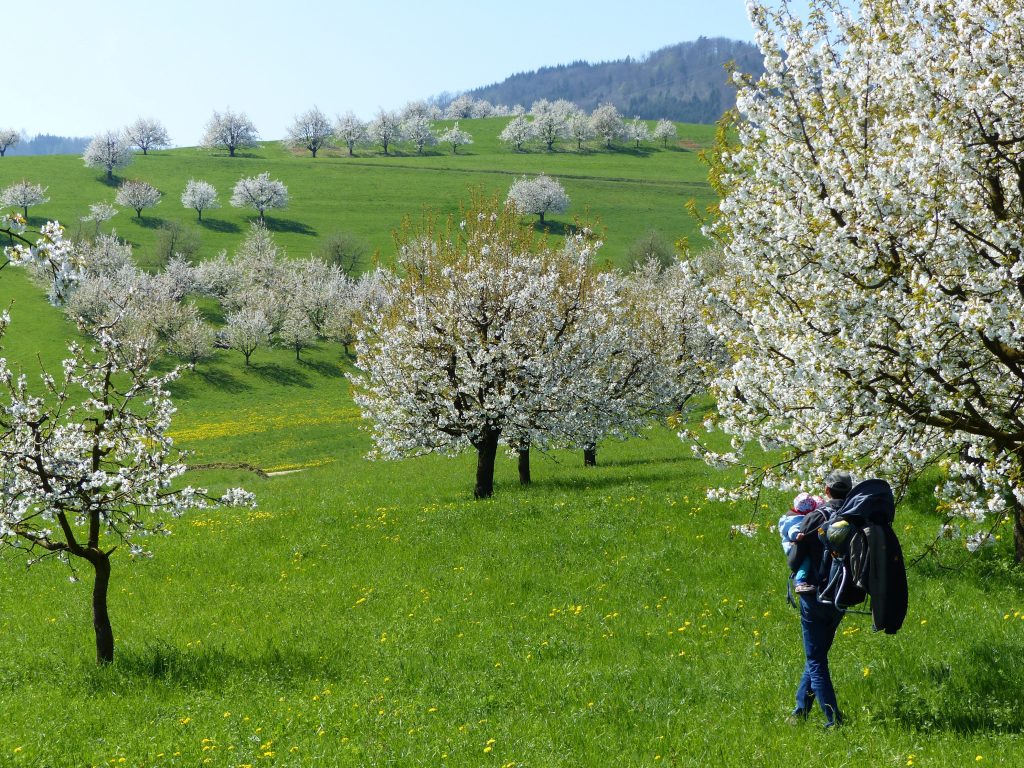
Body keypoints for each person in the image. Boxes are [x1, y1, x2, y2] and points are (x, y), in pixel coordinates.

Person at [788, 469, 853, 729]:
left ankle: (833, 719)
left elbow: (794, 561)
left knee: (816, 659)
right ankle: (800, 711)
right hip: (842, 595)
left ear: (826, 491)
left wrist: (797, 544)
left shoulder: (817, 516)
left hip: (814, 594)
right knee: (817, 654)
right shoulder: (856, 517)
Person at [778, 492, 821, 593]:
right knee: (806, 560)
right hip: (792, 546)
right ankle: (800, 581)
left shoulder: (793, 515)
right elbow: (793, 529)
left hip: (795, 544)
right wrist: (797, 535)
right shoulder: (796, 519)